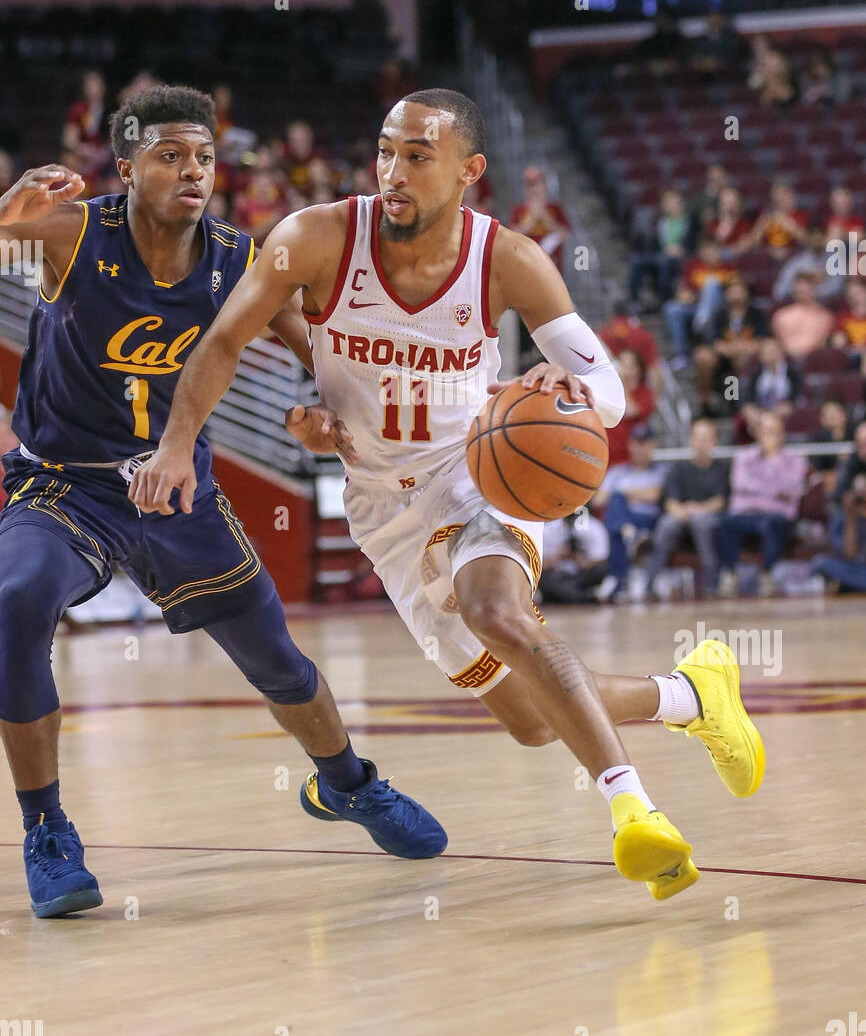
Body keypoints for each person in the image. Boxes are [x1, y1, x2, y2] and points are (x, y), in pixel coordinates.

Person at [132, 87, 766, 903]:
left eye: (417, 156)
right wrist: (184, 444)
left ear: (469, 170)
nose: (393, 170)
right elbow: (225, 339)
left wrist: (562, 391)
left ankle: (633, 810)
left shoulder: (510, 259)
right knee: (533, 721)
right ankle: (691, 695)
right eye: (387, 151)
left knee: (499, 613)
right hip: (378, 503)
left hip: (479, 471)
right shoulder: (316, 238)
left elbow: (606, 391)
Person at [0, 88, 446, 920]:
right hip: (63, 481)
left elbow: (311, 340)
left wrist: (336, 408)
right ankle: (48, 830)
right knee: (14, 602)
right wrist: (4, 213)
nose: (193, 171)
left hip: (177, 490)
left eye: (204, 157)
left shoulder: (240, 256)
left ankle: (348, 784)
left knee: (276, 659)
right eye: (171, 156)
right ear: (126, 168)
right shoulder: (71, 232)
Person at [715, 410, 809, 595]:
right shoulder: (743, 456)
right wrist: (773, 491)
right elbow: (740, 483)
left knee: (774, 523)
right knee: (725, 522)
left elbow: (791, 489)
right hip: (745, 514)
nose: (768, 436)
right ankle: (729, 574)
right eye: (764, 431)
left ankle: (767, 575)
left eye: (772, 431)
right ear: (756, 433)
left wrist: (772, 460)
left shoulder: (795, 459)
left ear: (782, 434)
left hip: (775, 516)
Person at [644, 419, 729, 595]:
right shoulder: (679, 469)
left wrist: (698, 510)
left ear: (714, 442)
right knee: (666, 525)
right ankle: (651, 582)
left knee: (701, 523)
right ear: (691, 440)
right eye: (697, 437)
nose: (701, 443)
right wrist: (683, 512)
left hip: (707, 518)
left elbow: (720, 502)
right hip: (681, 516)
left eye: (706, 438)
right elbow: (670, 501)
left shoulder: (721, 469)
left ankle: (710, 583)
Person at [593, 425, 666, 599]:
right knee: (617, 518)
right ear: (630, 445)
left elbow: (654, 495)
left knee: (617, 502)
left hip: (647, 518)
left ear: (653, 445)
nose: (640, 449)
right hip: (624, 520)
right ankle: (629, 533)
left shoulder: (661, 470)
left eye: (645, 443)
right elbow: (598, 501)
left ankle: (617, 579)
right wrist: (635, 494)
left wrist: (624, 492)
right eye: (637, 443)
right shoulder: (618, 471)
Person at [692, 277, 769, 415]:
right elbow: (713, 341)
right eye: (732, 292)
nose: (736, 295)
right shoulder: (718, 315)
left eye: (739, 291)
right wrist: (731, 349)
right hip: (722, 358)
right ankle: (705, 402)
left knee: (740, 360)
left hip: (747, 359)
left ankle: (735, 403)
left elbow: (761, 340)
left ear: (746, 293)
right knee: (703, 356)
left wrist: (740, 349)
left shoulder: (757, 314)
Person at [663, 239, 736, 369]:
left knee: (712, 284)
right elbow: (682, 292)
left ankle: (701, 325)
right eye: (705, 250)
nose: (709, 253)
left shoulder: (728, 268)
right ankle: (682, 355)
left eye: (712, 249)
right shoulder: (693, 266)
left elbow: (734, 292)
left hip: (720, 309)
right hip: (695, 306)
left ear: (718, 251)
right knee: (671, 308)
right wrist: (686, 296)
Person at [627, 187, 689, 306]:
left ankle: (663, 301)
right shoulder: (661, 223)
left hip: (680, 257)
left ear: (680, 202)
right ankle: (634, 302)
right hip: (662, 255)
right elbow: (654, 245)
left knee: (665, 263)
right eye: (666, 202)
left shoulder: (688, 222)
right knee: (637, 259)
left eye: (672, 201)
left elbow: (691, 242)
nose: (670, 205)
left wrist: (680, 249)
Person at [810, 473, 866, 593]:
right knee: (820, 563)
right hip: (853, 568)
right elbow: (850, 554)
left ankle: (846, 585)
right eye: (859, 492)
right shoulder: (841, 517)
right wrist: (851, 518)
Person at [507, 167, 569, 273]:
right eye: (530, 185)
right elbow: (510, 237)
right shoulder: (519, 210)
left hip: (553, 266)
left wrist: (546, 219)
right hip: (528, 266)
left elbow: (566, 233)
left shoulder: (555, 208)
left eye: (537, 184)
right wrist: (531, 220)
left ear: (545, 186)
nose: (534, 189)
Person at [739, 337, 801, 437]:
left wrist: (785, 408)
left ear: (781, 353)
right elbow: (747, 398)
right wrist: (750, 410)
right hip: (761, 413)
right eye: (767, 352)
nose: (771, 356)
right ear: (760, 356)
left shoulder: (793, 373)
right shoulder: (755, 374)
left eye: (773, 352)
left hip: (784, 412)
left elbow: (798, 396)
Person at [606, 347, 655, 465]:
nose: (623, 370)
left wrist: (621, 382)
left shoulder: (644, 393)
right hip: (607, 451)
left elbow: (630, 411)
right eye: (621, 364)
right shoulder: (610, 391)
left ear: (638, 369)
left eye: (628, 366)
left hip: (629, 459)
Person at [771, 272, 834, 361]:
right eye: (799, 287)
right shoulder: (781, 316)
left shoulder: (824, 317)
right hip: (786, 361)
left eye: (806, 286)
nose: (802, 289)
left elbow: (821, 343)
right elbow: (777, 342)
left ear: (814, 289)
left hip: (814, 361)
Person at [747, 179, 808, 254]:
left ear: (792, 195)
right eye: (777, 199)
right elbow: (753, 242)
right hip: (769, 257)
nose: (781, 200)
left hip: (794, 256)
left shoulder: (801, 215)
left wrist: (787, 223)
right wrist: (761, 226)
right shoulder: (767, 217)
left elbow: (807, 239)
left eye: (784, 195)